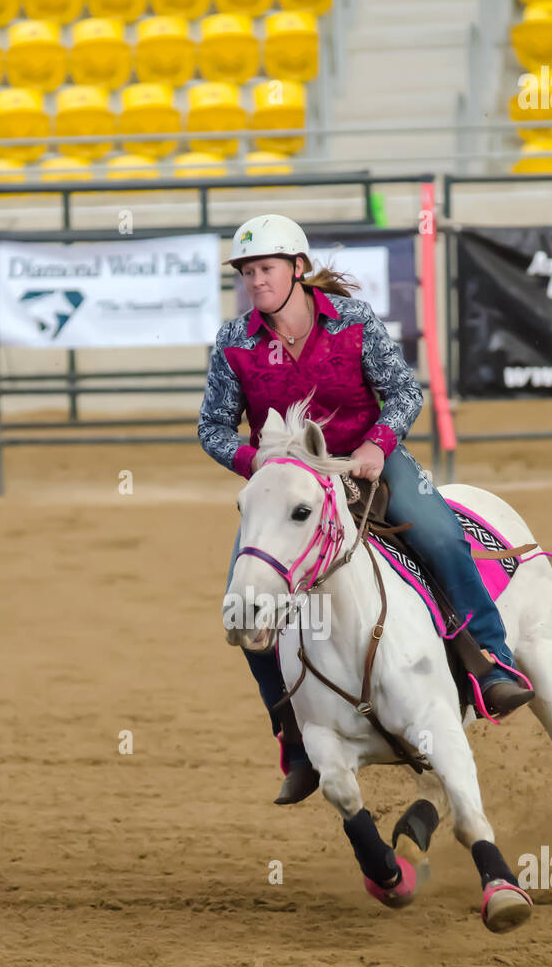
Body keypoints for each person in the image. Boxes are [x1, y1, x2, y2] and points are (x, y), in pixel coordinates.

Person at [198, 214, 533, 805]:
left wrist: (378, 447)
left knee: (439, 533)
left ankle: (492, 663)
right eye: (247, 272)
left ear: (298, 269)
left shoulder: (351, 320)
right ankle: (297, 739)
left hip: (365, 460)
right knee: (244, 606)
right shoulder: (235, 342)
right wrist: (262, 466)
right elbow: (213, 428)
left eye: (266, 268)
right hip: (289, 486)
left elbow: (404, 390)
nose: (256, 280)